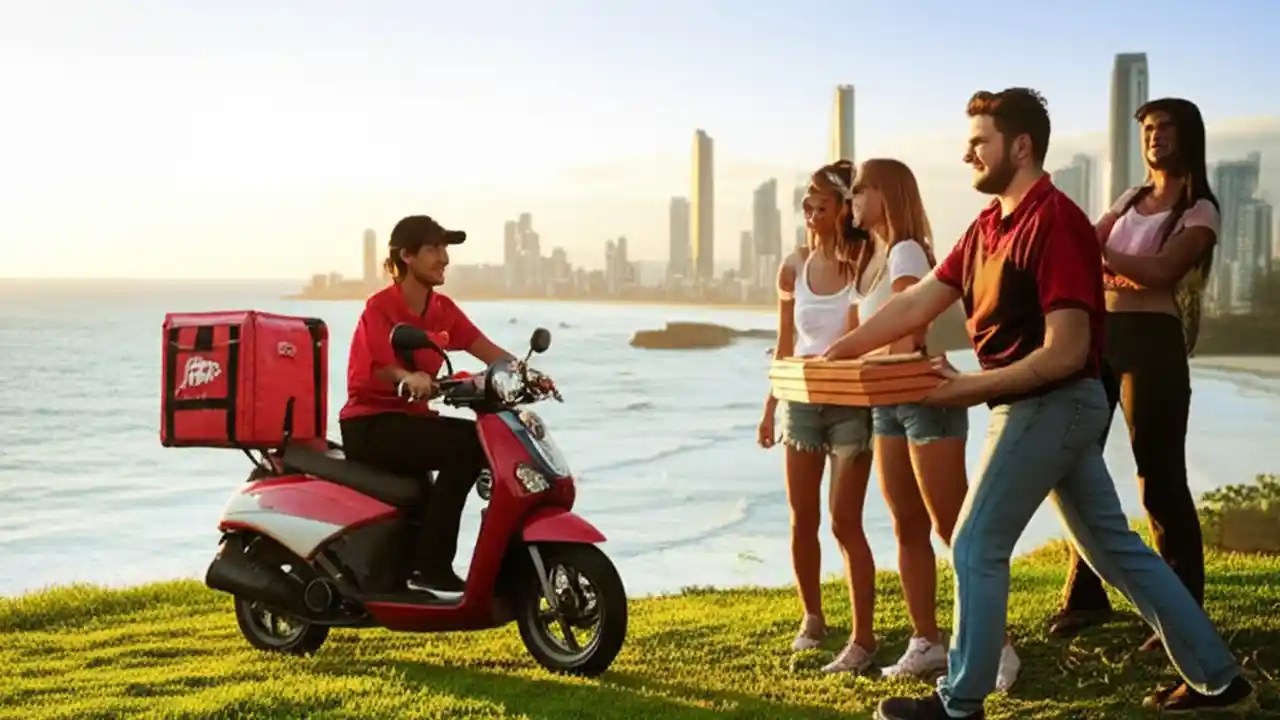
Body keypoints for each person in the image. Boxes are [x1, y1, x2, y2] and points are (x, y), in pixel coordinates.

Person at [822, 88, 1251, 718]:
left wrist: (963, 389)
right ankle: (1222, 682)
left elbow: (1065, 351)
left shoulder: (1058, 222)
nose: (968, 153)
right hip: (1039, 403)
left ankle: (960, 702)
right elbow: (919, 302)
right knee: (1115, 552)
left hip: (1053, 402)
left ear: (1020, 146)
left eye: (980, 143)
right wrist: (839, 353)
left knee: (974, 544)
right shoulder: (990, 223)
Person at [833, 157, 1018, 690]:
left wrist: (860, 363)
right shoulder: (871, 257)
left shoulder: (907, 251)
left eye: (861, 191)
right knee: (905, 522)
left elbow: (911, 325)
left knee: (950, 526)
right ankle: (927, 641)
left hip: (924, 398)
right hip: (889, 399)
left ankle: (998, 643)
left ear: (887, 194)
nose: (854, 202)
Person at [1048, 98, 1220, 652]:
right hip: (1099, 339)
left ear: (1188, 136)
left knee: (1159, 478)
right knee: (1077, 466)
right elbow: (1088, 248)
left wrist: (1108, 258)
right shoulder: (1129, 198)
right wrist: (1112, 263)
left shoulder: (1200, 210)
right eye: (1148, 127)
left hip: (1154, 346)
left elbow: (1164, 271)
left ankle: (1181, 607)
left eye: (1166, 127)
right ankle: (1086, 594)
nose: (1155, 136)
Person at [338, 214, 516, 595]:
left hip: (410, 423)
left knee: (482, 439)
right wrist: (409, 378)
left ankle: (427, 560)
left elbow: (486, 350)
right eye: (434, 248)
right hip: (371, 425)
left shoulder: (442, 309)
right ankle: (431, 566)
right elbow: (380, 365)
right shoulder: (379, 308)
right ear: (406, 255)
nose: (445, 258)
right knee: (468, 444)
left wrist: (525, 374)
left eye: (445, 248)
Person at [758, 160, 880, 673]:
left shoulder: (865, 267)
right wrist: (770, 409)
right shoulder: (792, 267)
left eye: (820, 206)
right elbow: (785, 343)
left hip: (853, 404)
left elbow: (862, 337)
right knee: (801, 516)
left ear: (844, 210)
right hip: (800, 405)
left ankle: (864, 635)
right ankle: (812, 616)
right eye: (805, 205)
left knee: (845, 521)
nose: (809, 213)